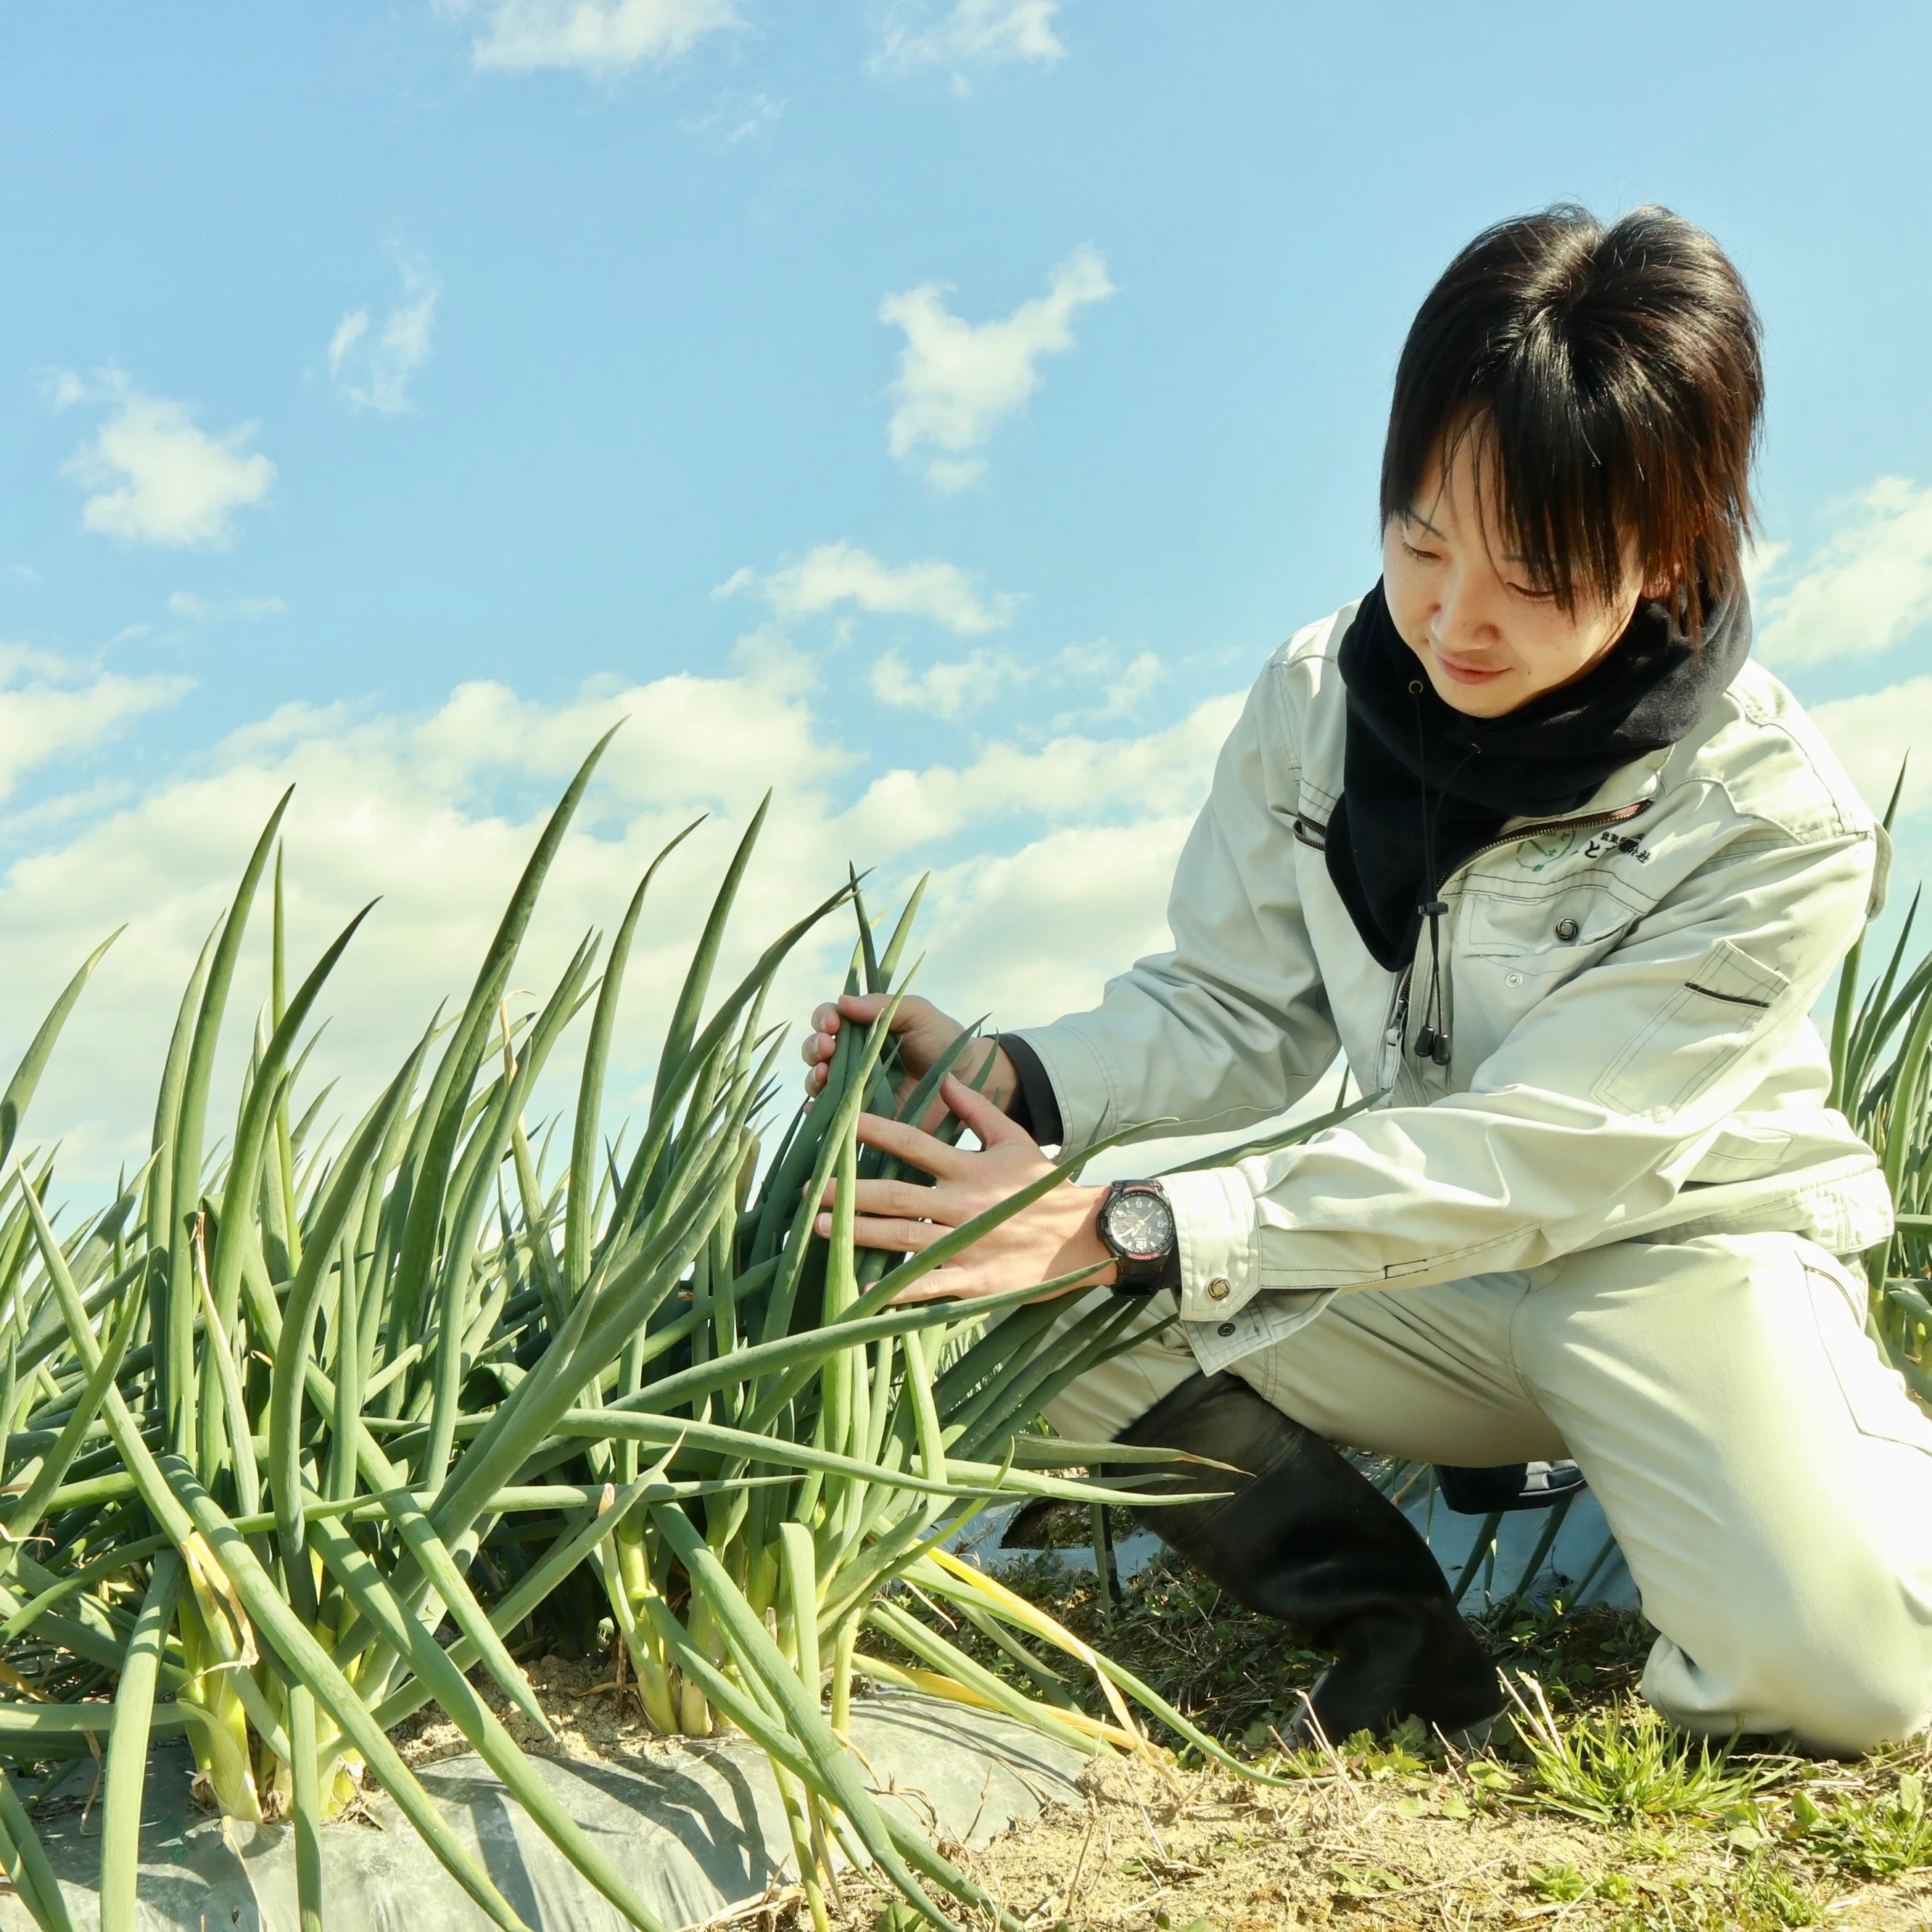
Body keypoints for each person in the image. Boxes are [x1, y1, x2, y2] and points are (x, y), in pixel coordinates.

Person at [800, 205, 1932, 1758]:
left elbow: (1550, 1147)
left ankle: (1813, 1482)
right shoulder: (1316, 696)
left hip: (1679, 1257)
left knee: (1845, 1686)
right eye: (1419, 541)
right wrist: (1020, 1078)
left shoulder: (1775, 819)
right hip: (1426, 1272)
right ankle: (1405, 1655)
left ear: (1668, 552)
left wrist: (1145, 1218)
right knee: (1022, 1299)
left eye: (1534, 576)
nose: (1456, 618)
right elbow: (1237, 1008)